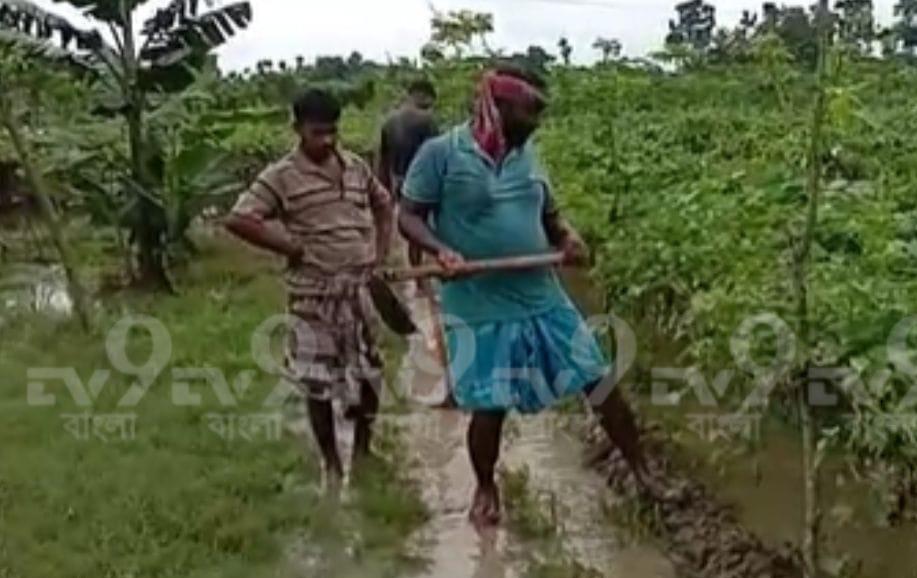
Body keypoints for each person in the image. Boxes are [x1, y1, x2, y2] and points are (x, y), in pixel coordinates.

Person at [397, 64, 652, 525]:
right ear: (496, 108)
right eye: (527, 115)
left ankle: (644, 472)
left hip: (540, 293)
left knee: (598, 378)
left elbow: (550, 215)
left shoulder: (528, 154)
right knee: (489, 403)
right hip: (477, 300)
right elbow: (408, 215)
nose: (534, 126)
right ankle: (485, 487)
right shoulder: (440, 154)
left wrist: (568, 237)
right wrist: (441, 250)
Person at [225, 88, 394, 495]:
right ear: (297, 128)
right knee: (318, 382)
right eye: (318, 132)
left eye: (333, 131)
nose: (328, 140)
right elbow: (240, 219)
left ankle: (364, 449)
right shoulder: (281, 175)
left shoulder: (354, 166)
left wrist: (381, 257)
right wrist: (290, 247)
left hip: (359, 290)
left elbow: (384, 205)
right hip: (313, 295)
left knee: (371, 372)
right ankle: (331, 462)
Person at [376, 79, 442, 294]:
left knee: (410, 228)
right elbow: (438, 156)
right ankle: (426, 277)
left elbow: (383, 161)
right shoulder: (428, 121)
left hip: (399, 181)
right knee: (426, 228)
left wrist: (384, 189)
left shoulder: (389, 121)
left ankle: (415, 278)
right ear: (424, 96)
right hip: (424, 181)